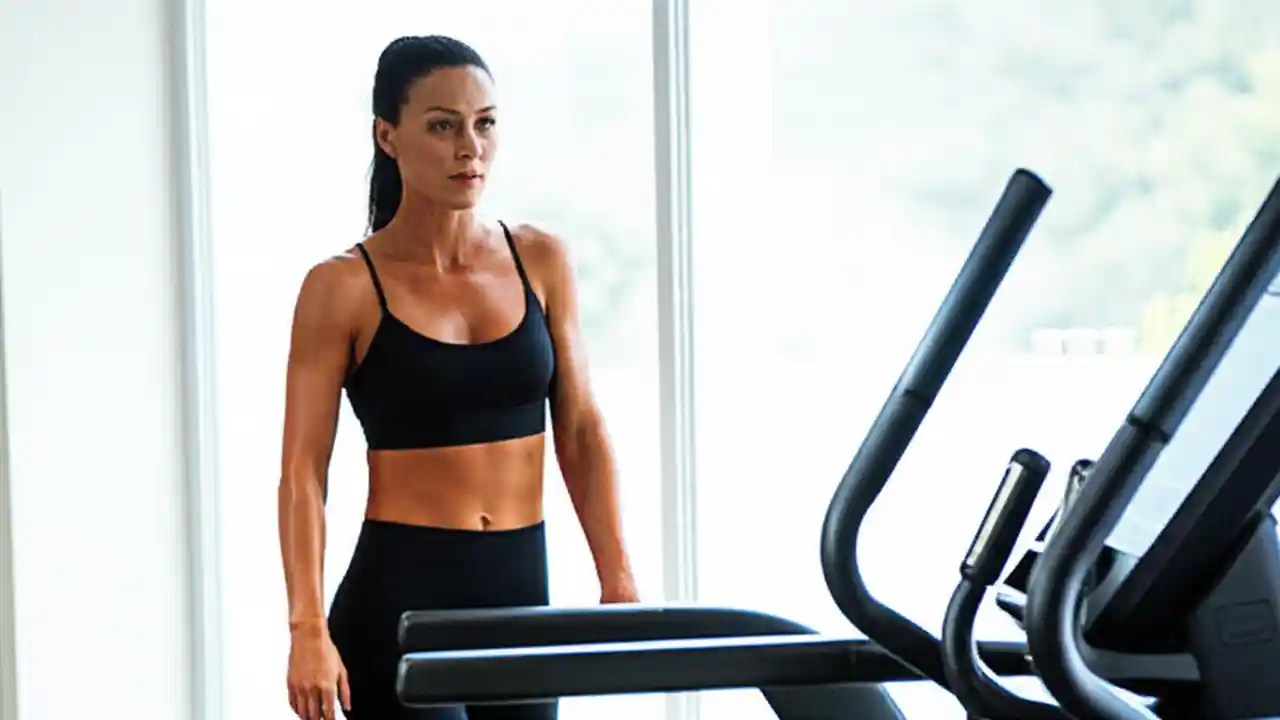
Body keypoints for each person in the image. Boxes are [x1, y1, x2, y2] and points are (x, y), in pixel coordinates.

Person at [277, 35, 639, 720]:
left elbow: (582, 427)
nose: (469, 146)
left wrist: (616, 576)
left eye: (485, 123)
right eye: (442, 125)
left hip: (520, 600)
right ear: (388, 136)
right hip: (399, 602)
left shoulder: (541, 259)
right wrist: (306, 630)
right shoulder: (343, 288)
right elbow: (302, 472)